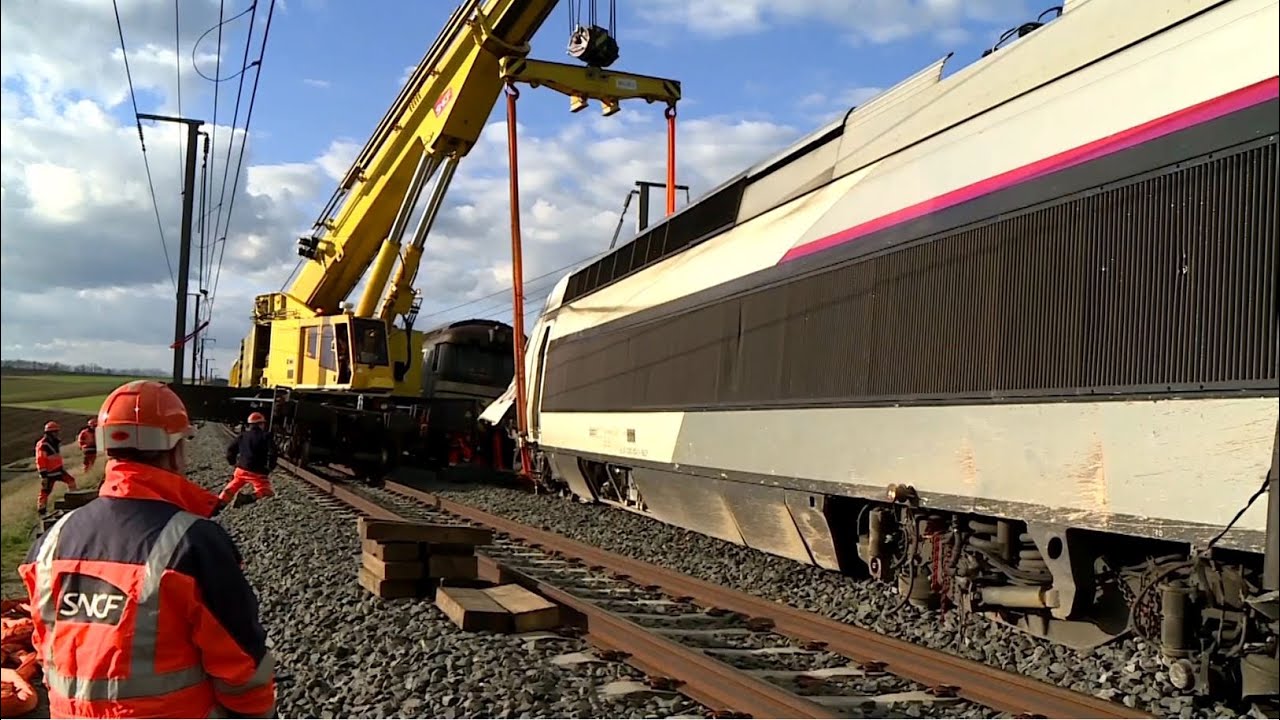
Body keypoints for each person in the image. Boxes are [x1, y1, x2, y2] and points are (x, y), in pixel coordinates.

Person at [17, 381, 277, 719]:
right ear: (174, 451)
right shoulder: (194, 543)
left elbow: (45, 645)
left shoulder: (49, 543)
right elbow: (242, 667)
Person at [218, 411, 276, 508]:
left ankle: (219, 503)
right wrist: (269, 467)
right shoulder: (266, 436)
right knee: (267, 491)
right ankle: (247, 498)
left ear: (250, 424)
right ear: (261, 424)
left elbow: (230, 449)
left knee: (232, 487)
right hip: (257, 472)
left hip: (241, 470)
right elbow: (273, 453)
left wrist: (232, 462)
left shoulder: (242, 435)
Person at [35, 421, 77, 515]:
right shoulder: (43, 444)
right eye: (55, 432)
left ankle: (73, 500)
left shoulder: (54, 442)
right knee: (45, 491)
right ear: (49, 433)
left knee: (71, 481)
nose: (57, 434)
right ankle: (42, 510)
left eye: (57, 432)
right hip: (48, 473)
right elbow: (40, 459)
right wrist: (43, 475)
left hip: (58, 470)